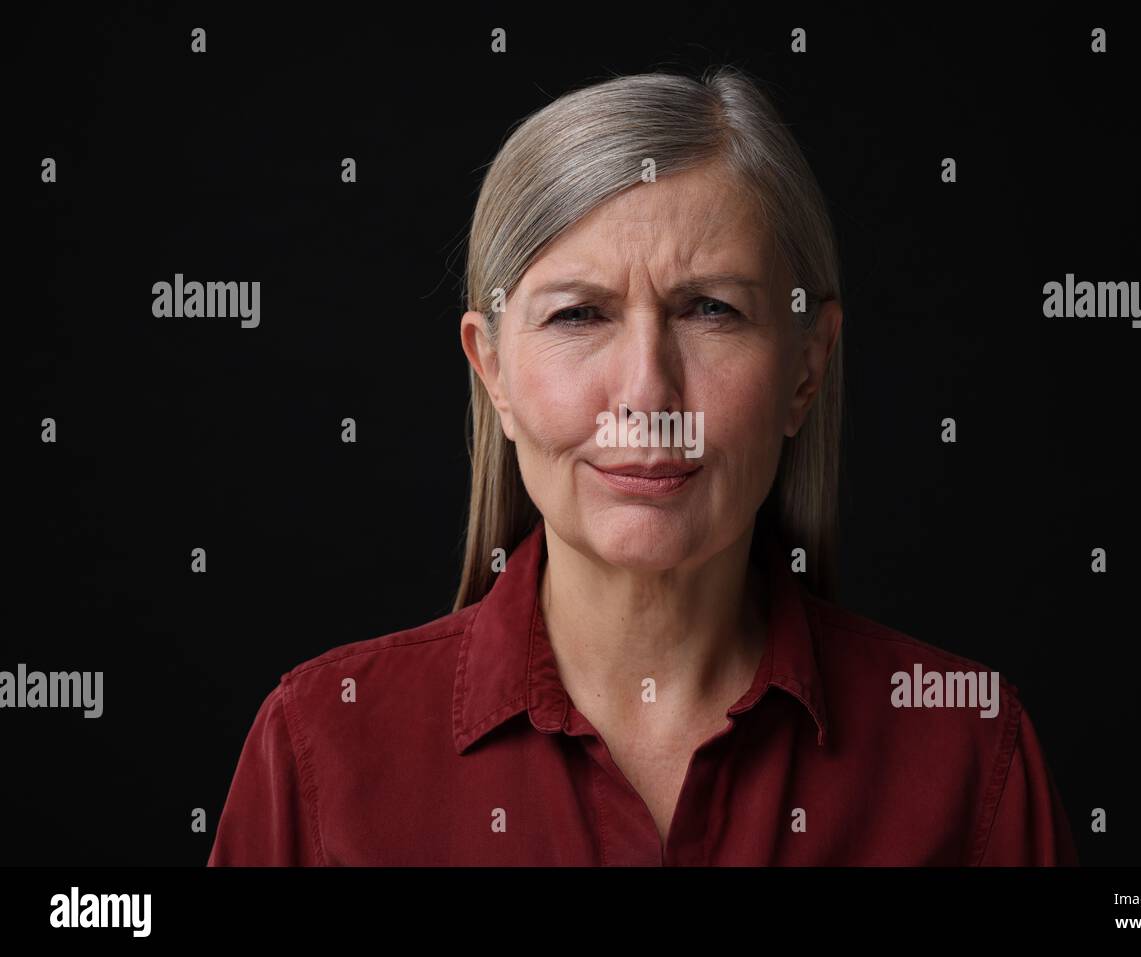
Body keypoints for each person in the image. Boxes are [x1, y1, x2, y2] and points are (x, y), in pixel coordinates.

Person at [208, 66, 1077, 866]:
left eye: (710, 309)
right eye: (580, 315)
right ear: (493, 371)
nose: (647, 392)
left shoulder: (966, 750)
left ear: (806, 368)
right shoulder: (318, 748)